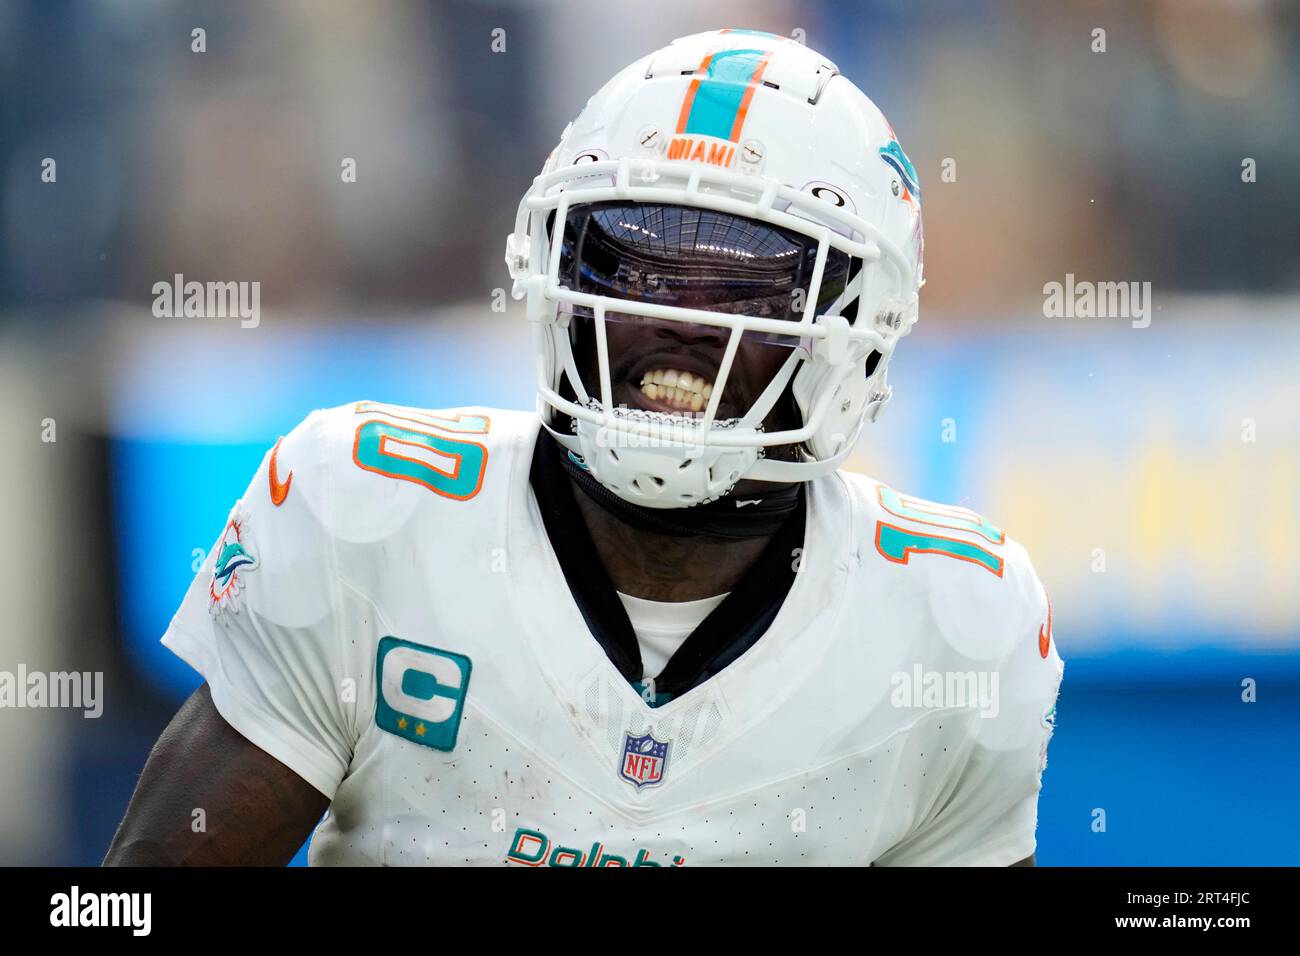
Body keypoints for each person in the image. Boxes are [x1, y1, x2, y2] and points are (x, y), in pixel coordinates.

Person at [106, 28, 1063, 867]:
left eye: (747, 284)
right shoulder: (367, 513)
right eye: (632, 256)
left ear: (859, 324)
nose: (676, 318)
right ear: (552, 268)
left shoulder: (957, 624)